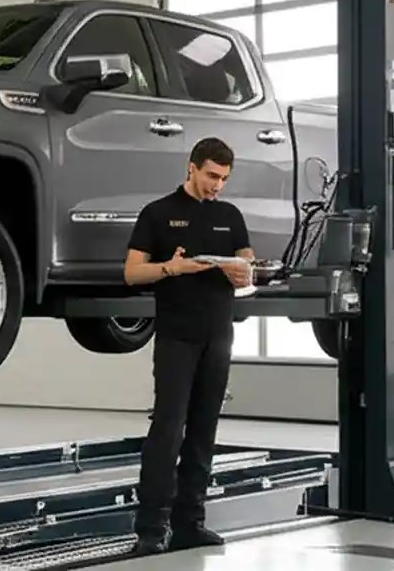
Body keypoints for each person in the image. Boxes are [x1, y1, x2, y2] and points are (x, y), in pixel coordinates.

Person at [123, 137, 254, 554]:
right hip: (177, 335)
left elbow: (248, 265)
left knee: (204, 430)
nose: (217, 185)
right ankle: (150, 529)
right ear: (192, 168)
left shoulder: (230, 216)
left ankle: (190, 524)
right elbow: (131, 273)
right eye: (212, 176)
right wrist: (171, 268)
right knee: (168, 428)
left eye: (224, 179)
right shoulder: (158, 214)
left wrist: (244, 274)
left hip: (218, 335)